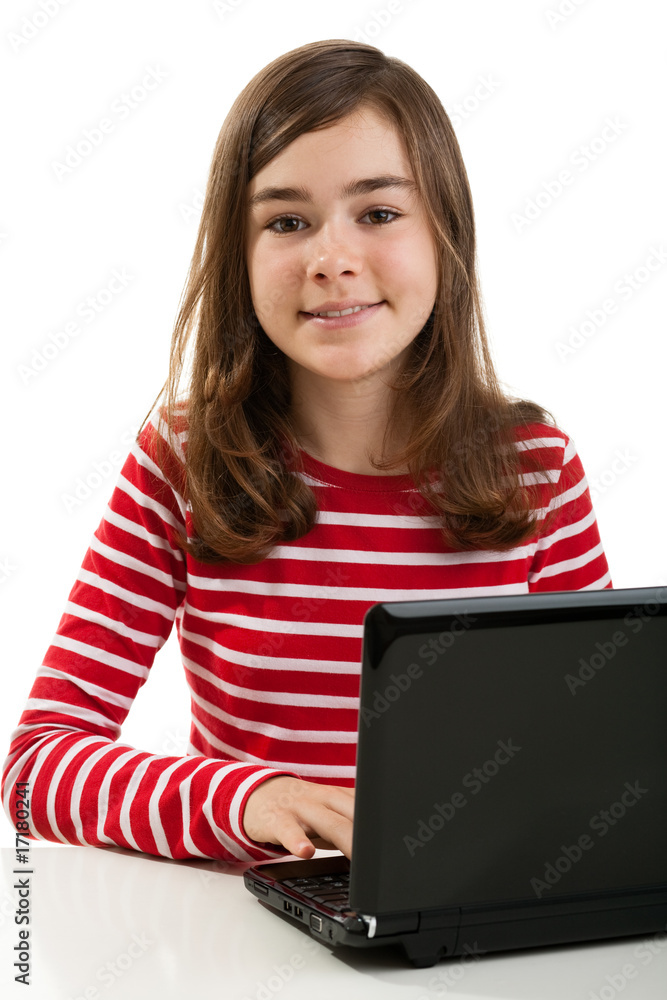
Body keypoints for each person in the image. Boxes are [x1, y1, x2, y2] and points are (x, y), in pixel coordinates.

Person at [2, 39, 611, 867]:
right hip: (250, 935)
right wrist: (251, 797)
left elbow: (598, 759)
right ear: (239, 257)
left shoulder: (535, 469)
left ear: (445, 237)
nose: (332, 260)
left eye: (379, 213)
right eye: (286, 222)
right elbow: (38, 770)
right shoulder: (182, 462)